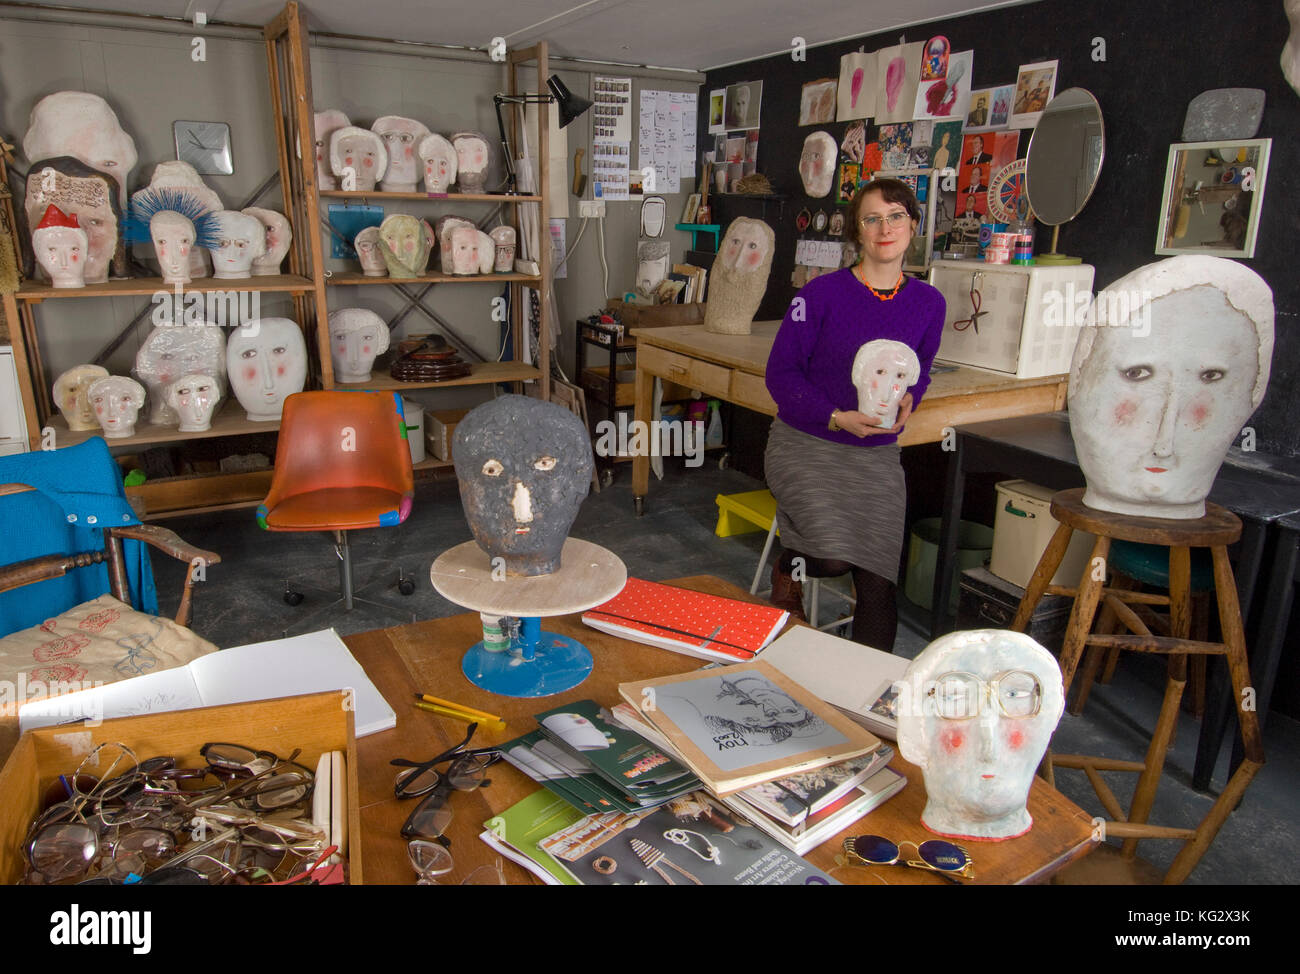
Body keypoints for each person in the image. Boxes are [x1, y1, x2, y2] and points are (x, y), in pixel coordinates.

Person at [764, 178, 946, 651]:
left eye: (896, 216)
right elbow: (781, 377)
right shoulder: (819, 295)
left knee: (878, 578)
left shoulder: (929, 304)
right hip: (808, 445)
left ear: (912, 225)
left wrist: (912, 398)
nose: (885, 228)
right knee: (831, 562)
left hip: (876, 456)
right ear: (856, 231)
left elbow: (919, 372)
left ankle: (868, 703)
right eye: (872, 218)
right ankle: (788, 571)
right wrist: (834, 416)